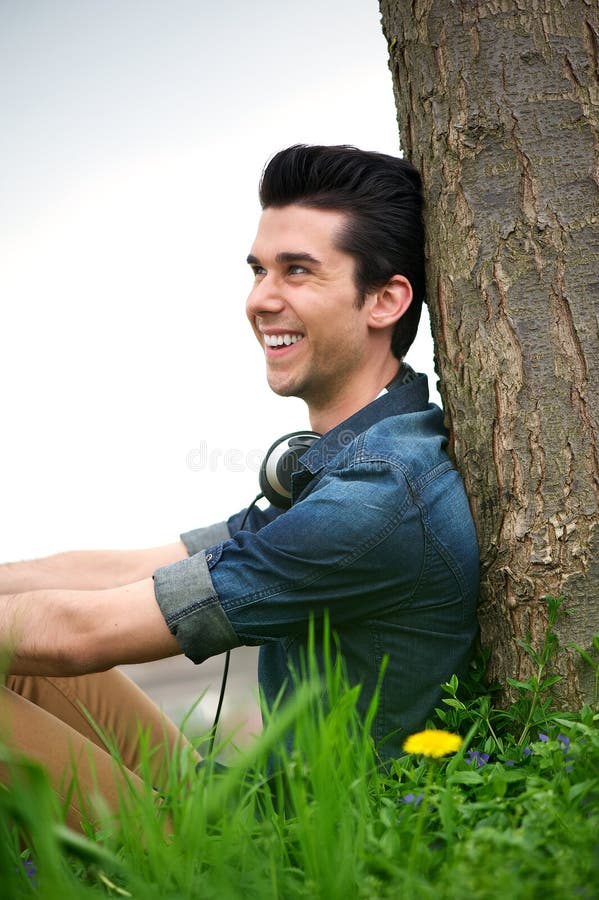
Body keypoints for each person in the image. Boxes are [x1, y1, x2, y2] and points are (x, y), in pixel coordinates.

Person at [0, 144, 479, 831]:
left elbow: (81, 632)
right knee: (26, 668)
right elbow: (131, 570)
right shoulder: (351, 457)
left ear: (384, 299)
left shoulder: (374, 498)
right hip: (251, 799)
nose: (261, 299)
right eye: (259, 270)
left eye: (298, 272)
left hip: (287, 847)